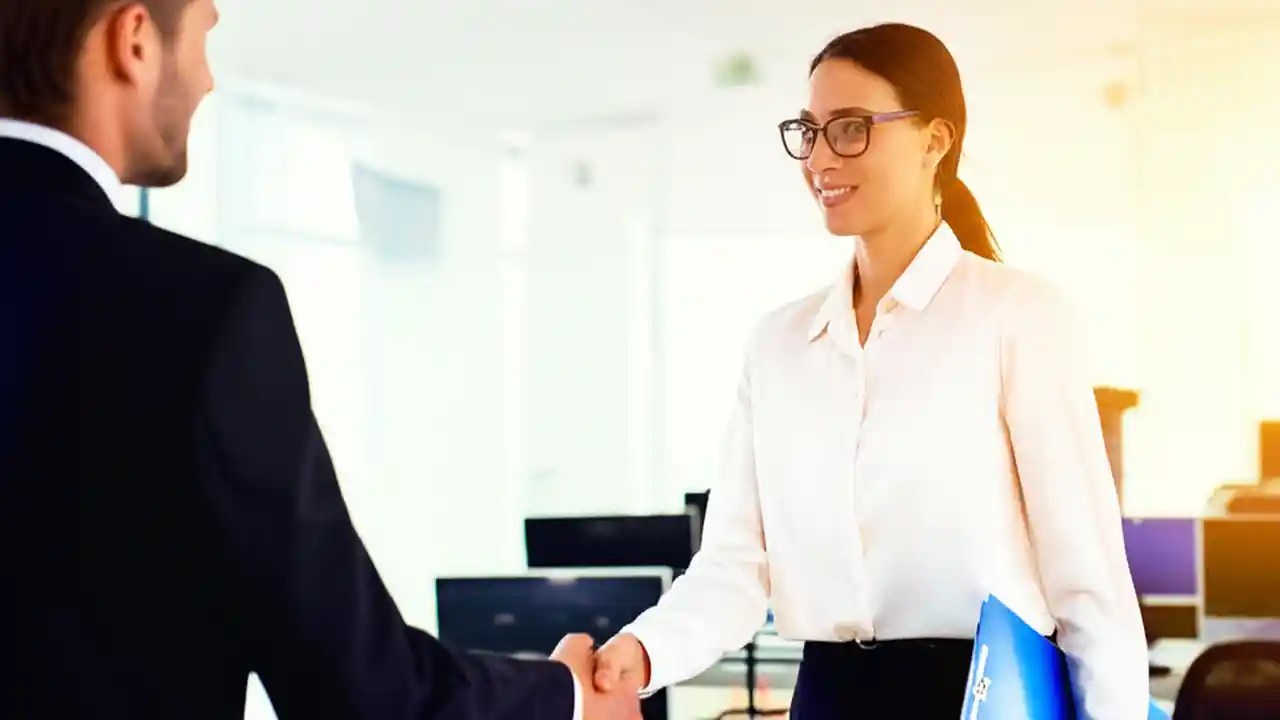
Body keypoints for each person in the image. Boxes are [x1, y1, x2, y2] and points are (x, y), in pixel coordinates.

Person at [0, 2, 640, 719]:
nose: (209, 81)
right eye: (204, 37)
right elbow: (360, 690)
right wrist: (570, 698)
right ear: (136, 41)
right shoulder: (200, 307)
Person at [591, 23, 1147, 719]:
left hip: (978, 695)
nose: (821, 157)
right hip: (829, 696)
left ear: (935, 140)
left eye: (851, 128)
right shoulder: (780, 345)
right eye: (809, 131)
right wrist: (641, 652)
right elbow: (735, 569)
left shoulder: (1017, 316)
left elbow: (1088, 582)